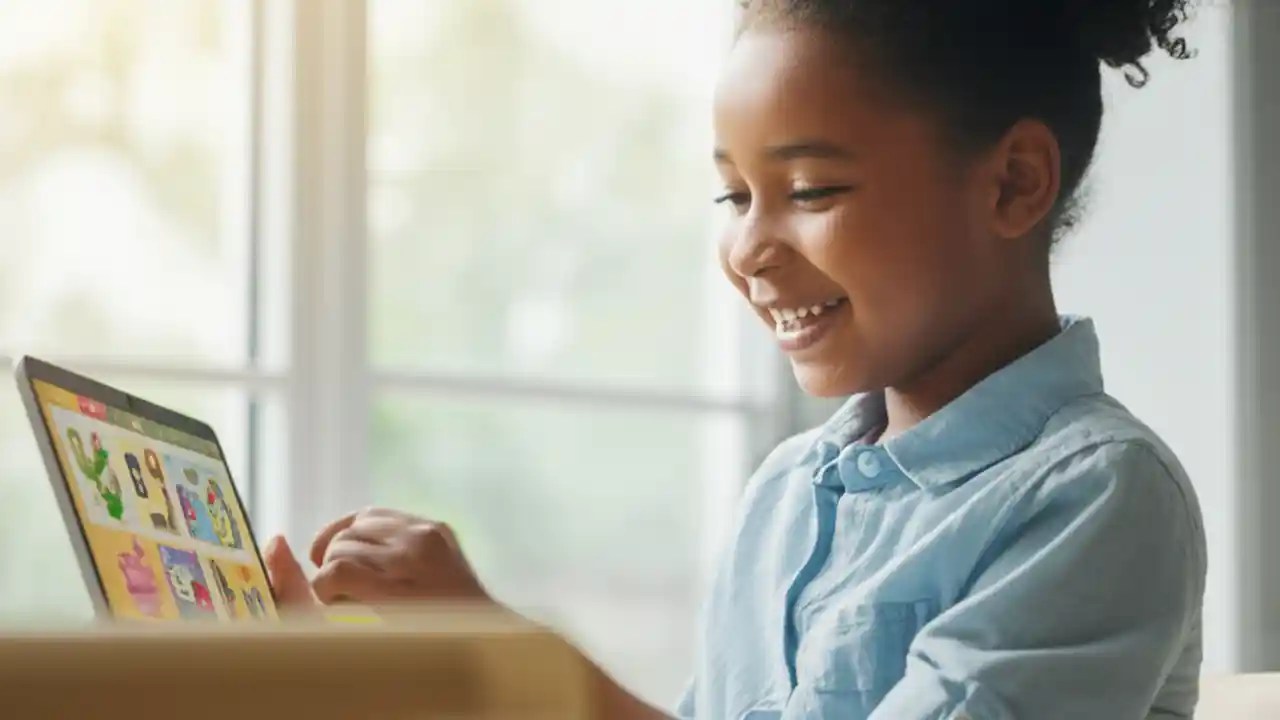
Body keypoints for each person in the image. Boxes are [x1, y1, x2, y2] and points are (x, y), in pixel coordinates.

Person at [264, 0, 1207, 717]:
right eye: (732, 198)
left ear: (1013, 182)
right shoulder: (790, 492)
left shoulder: (1095, 497)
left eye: (811, 188)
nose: (750, 249)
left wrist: (500, 647)